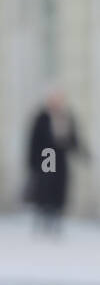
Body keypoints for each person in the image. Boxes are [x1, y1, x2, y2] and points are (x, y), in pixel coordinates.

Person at [24, 87, 89, 235]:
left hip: (60, 157)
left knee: (60, 188)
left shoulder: (66, 116)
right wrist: (32, 162)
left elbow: (74, 138)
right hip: (47, 156)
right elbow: (34, 141)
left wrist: (83, 153)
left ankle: (56, 219)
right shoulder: (42, 117)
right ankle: (43, 218)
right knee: (45, 188)